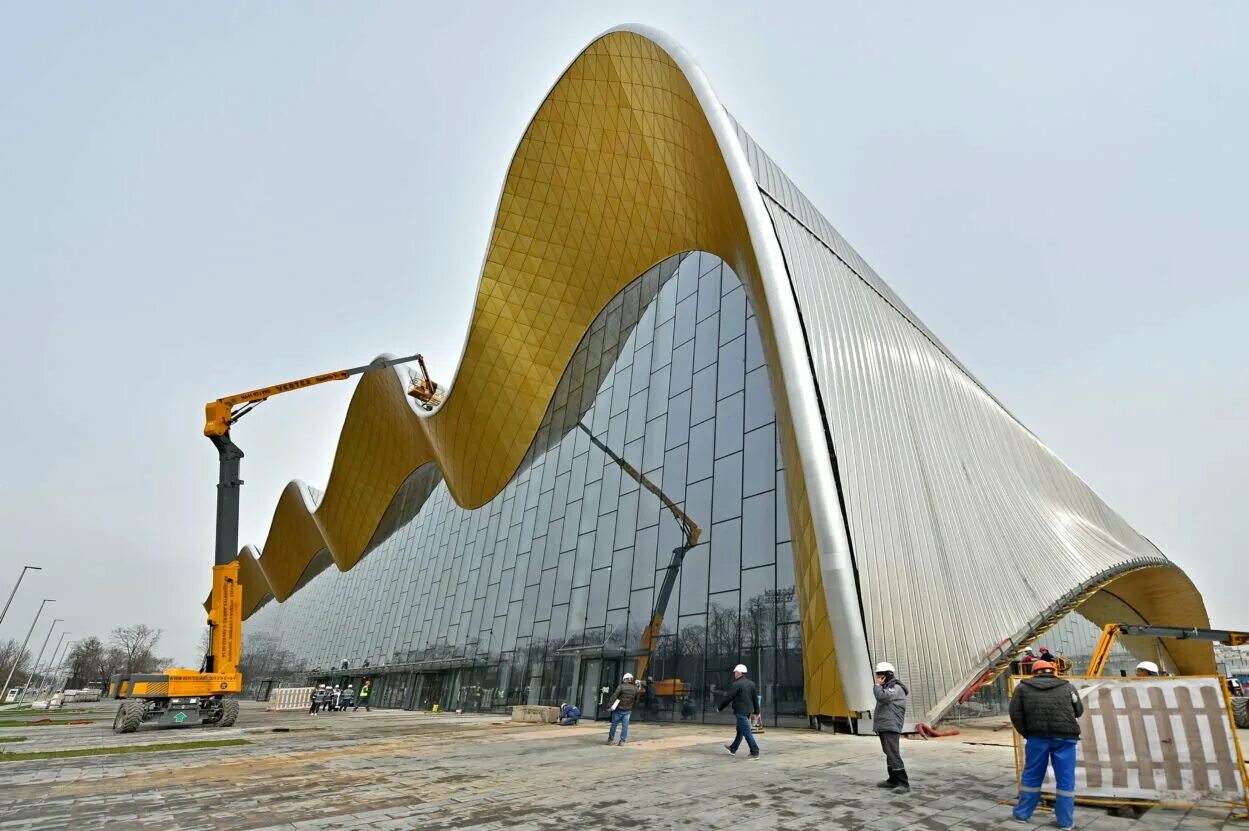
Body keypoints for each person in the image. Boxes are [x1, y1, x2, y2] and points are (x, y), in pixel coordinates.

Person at [1009, 660, 1083, 830]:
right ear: (1054, 671)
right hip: (1065, 738)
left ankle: (1022, 815)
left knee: (1032, 776)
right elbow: (1078, 711)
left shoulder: (1022, 688)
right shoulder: (1068, 687)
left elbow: (1015, 713)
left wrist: (1027, 733)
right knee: (1066, 780)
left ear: (1033, 672)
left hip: (1037, 737)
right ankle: (1065, 822)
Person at [872, 661, 910, 793]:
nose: (878, 678)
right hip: (885, 725)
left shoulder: (896, 688)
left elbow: (881, 697)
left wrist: (877, 685)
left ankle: (903, 783)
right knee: (889, 752)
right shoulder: (888, 687)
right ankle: (893, 780)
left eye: (880, 675)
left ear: (887, 675)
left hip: (891, 726)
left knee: (893, 753)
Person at [717, 664, 761, 758]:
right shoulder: (751, 684)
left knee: (746, 731)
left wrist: (720, 708)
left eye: (735, 672)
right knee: (740, 730)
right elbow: (755, 699)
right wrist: (757, 712)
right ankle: (733, 748)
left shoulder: (736, 684)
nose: (734, 674)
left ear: (739, 672)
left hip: (740, 711)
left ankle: (754, 752)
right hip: (748, 711)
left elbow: (729, 697)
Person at [606, 672, 641, 746]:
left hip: (618, 709)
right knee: (625, 726)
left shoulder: (621, 686)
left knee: (614, 725)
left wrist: (609, 706)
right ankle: (622, 741)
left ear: (625, 679)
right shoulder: (636, 688)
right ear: (631, 680)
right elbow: (637, 700)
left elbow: (614, 696)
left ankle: (610, 740)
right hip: (628, 710)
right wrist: (632, 706)